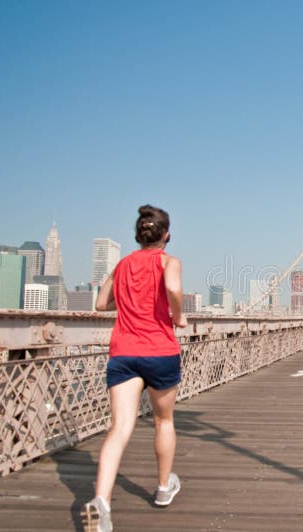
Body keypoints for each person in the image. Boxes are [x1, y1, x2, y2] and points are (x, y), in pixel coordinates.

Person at [82, 205, 188, 532]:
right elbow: (171, 287)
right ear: (166, 235)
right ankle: (162, 487)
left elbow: (101, 304)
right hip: (159, 351)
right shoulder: (169, 261)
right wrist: (178, 316)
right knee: (163, 420)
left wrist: (128, 300)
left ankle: (102, 500)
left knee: (120, 427)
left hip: (124, 352)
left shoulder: (123, 264)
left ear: (139, 234)